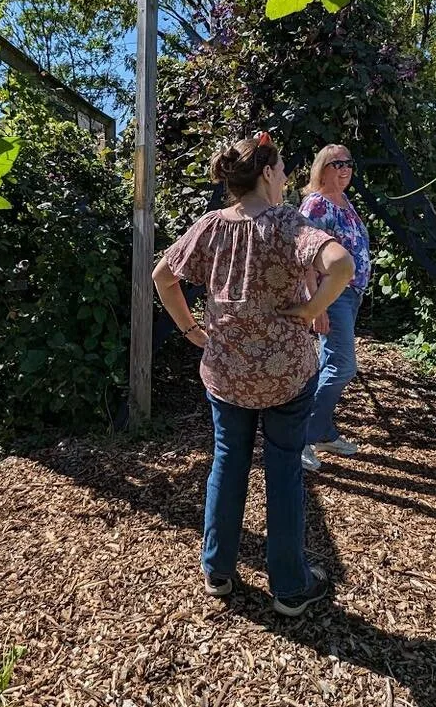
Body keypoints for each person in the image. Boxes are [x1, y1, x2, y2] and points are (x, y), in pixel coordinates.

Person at [153, 132, 356, 615]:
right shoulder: (289, 224)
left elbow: (163, 276)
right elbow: (341, 264)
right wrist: (312, 310)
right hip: (287, 374)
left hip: (226, 372)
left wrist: (190, 331)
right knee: (284, 468)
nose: (287, 176)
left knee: (228, 461)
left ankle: (218, 571)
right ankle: (289, 587)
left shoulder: (209, 226)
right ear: (266, 173)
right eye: (283, 168)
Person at [298, 143, 372, 471]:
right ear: (322, 168)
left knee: (333, 363)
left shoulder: (343, 200)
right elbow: (303, 258)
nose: (345, 169)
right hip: (333, 294)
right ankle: (301, 436)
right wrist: (318, 305)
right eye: (337, 163)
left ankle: (324, 433)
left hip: (349, 294)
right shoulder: (316, 204)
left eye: (349, 163)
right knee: (342, 366)